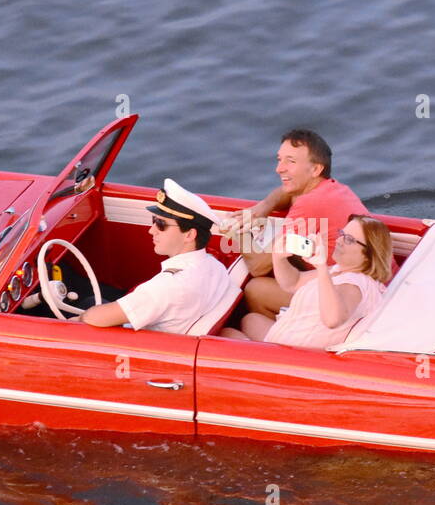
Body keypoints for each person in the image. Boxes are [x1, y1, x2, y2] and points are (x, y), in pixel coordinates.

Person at [223, 129, 372, 320]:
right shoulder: (331, 189)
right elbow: (287, 193)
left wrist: (237, 230)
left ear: (316, 169)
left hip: (349, 299)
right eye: (279, 159)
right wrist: (262, 207)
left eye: (290, 161)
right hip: (369, 282)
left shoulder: (309, 204)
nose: (279, 168)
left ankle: (278, 335)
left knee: (255, 289)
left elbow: (258, 267)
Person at [81, 179, 233, 334]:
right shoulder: (215, 267)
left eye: (161, 224)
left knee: (87, 304)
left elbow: (95, 318)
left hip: (136, 346)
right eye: (154, 221)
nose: (151, 231)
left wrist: (78, 318)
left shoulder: (166, 287)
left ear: (189, 235)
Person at [221, 214, 392, 349]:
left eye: (349, 239)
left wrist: (321, 267)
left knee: (224, 333)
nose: (339, 240)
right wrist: (278, 258)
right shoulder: (341, 271)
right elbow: (293, 283)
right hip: (288, 338)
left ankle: (253, 355)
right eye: (342, 233)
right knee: (250, 319)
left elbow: (333, 319)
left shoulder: (354, 285)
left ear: (369, 254)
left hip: (290, 355)